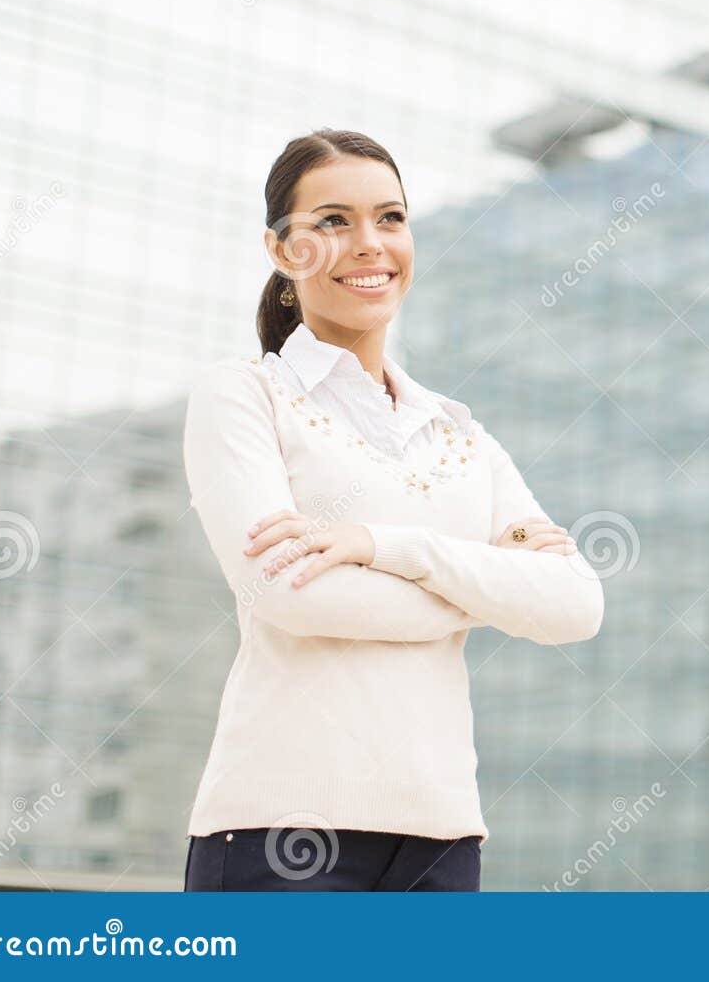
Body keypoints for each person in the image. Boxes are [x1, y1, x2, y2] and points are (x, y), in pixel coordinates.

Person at [180, 128, 603, 891]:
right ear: (284, 250)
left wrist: (383, 546)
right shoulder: (245, 395)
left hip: (442, 838)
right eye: (333, 221)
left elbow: (575, 604)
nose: (370, 243)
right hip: (280, 827)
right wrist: (484, 594)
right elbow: (290, 593)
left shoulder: (460, 434)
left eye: (391, 217)